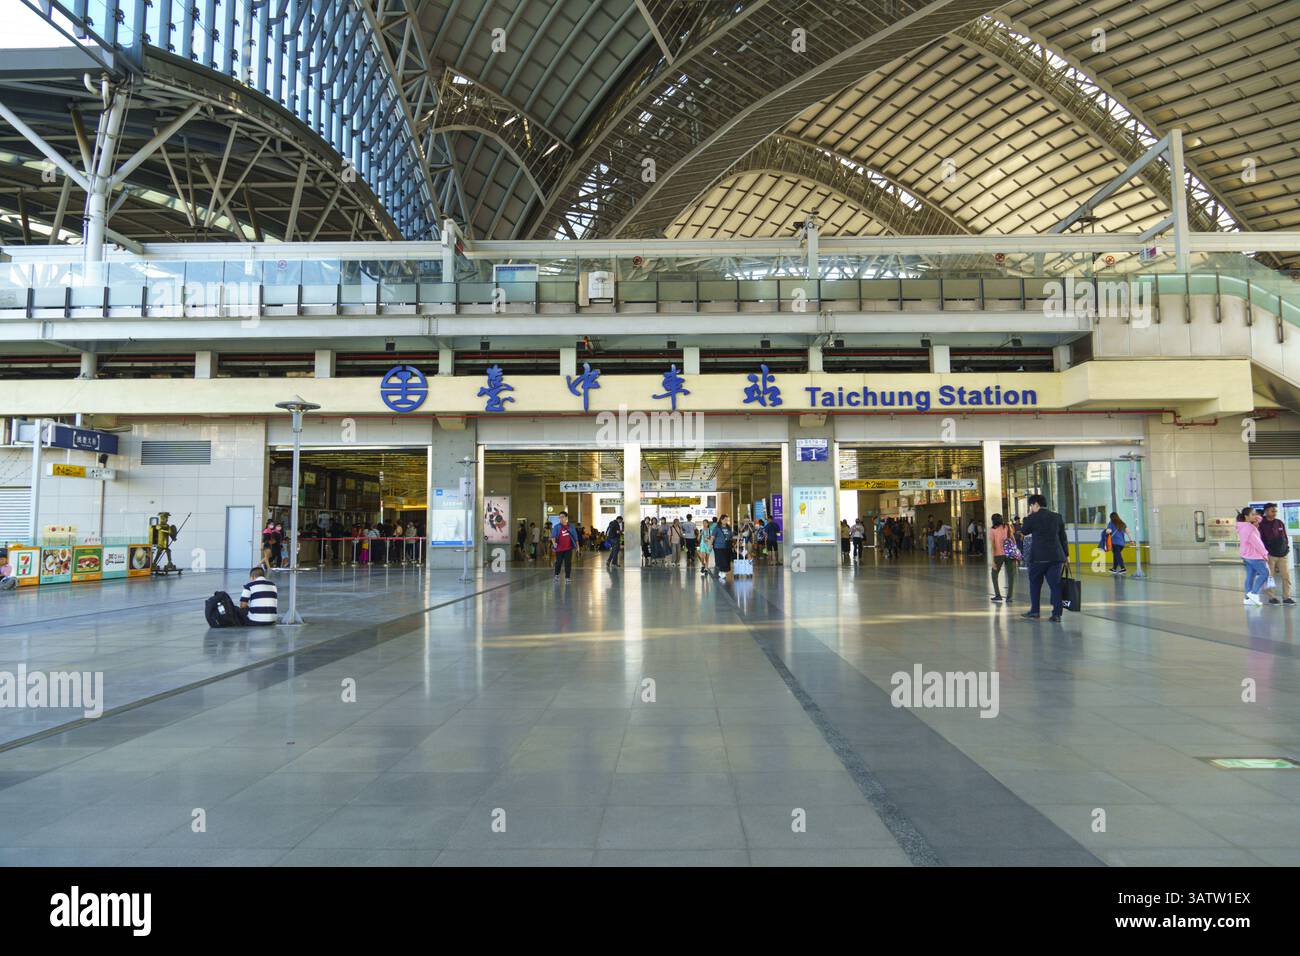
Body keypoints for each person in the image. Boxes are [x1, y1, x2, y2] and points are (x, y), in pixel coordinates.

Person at [1021, 494, 1070, 622]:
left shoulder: (1032, 518)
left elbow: (1024, 530)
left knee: (1035, 584)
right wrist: (1066, 555)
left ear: (1035, 504)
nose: (1031, 508)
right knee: (1055, 586)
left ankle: (1035, 611)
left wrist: (1029, 516)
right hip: (1055, 557)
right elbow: (1063, 538)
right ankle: (1056, 614)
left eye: (1031, 506)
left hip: (1038, 558)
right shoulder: (1057, 517)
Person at [205, 566, 279, 628]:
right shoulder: (273, 585)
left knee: (235, 609)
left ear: (253, 577)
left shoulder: (249, 585)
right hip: (272, 620)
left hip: (256, 622)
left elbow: (242, 605)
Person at [1258, 503, 1294, 606]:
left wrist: (1286, 548)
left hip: (1282, 554)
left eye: (1275, 511)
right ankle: (1271, 597)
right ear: (1266, 511)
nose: (1274, 513)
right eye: (1272, 511)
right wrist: (1264, 553)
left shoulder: (1279, 523)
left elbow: (1285, 536)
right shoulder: (1261, 525)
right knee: (1270, 577)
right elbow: (1259, 540)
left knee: (1286, 576)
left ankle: (1287, 597)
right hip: (1270, 555)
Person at [1237, 506, 1270, 607]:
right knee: (1265, 573)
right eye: (1253, 514)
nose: (1256, 516)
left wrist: (1256, 518)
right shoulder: (1249, 528)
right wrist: (1265, 554)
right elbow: (1257, 543)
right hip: (1254, 556)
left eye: (1256, 514)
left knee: (1250, 576)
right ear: (1246, 516)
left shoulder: (1241, 525)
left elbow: (1259, 518)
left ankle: (1247, 599)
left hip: (1246, 555)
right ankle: (1254, 593)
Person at [988, 514, 1018, 604]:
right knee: (1011, 576)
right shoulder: (1007, 527)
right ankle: (1009, 597)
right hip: (1009, 554)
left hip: (998, 555)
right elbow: (1013, 539)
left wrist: (993, 560)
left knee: (994, 574)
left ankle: (998, 595)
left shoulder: (993, 530)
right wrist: (1015, 552)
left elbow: (993, 546)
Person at [552, 511, 578, 581]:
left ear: (566, 517)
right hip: (559, 549)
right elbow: (553, 537)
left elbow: (575, 537)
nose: (561, 519)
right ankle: (556, 575)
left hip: (568, 548)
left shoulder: (571, 526)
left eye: (562, 517)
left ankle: (567, 577)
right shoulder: (556, 527)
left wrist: (578, 547)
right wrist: (554, 543)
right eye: (559, 517)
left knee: (568, 563)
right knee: (558, 562)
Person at [711, 514, 734, 580]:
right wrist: (710, 545)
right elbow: (712, 537)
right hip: (718, 546)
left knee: (727, 560)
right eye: (725, 520)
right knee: (722, 560)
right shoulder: (717, 528)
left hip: (727, 546)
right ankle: (721, 571)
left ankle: (723, 571)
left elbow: (731, 536)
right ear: (721, 520)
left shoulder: (729, 528)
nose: (726, 521)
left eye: (727, 520)